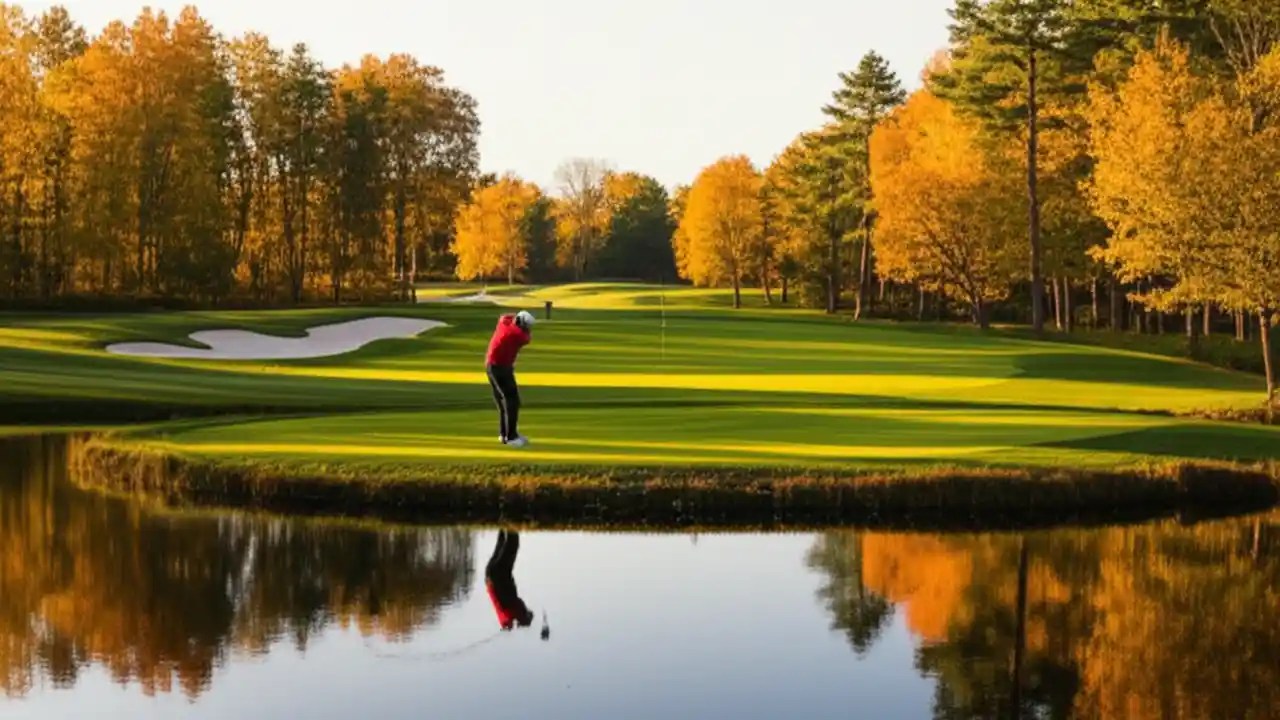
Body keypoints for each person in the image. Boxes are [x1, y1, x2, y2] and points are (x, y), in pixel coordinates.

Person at [486, 310, 535, 448]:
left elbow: (505, 316)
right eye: (527, 326)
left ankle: (504, 434)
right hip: (500, 368)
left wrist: (518, 318)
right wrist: (521, 324)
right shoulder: (517, 334)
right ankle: (511, 437)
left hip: (493, 366)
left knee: (504, 402)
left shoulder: (503, 323)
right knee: (512, 401)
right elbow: (527, 338)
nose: (528, 329)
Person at [485, 529, 535, 631]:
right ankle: (502, 522)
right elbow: (502, 612)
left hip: (499, 573)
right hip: (490, 575)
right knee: (502, 543)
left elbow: (515, 609)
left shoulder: (513, 608)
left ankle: (510, 520)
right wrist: (507, 623)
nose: (526, 608)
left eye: (526, 612)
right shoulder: (508, 612)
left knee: (512, 544)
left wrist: (509, 622)